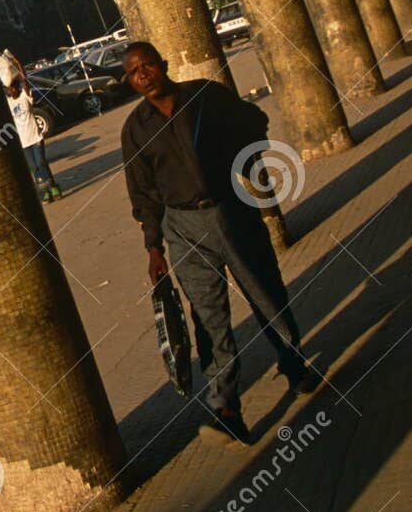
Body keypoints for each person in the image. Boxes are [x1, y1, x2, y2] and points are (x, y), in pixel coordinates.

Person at [119, 42, 317, 444]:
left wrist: (239, 164)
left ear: (165, 64)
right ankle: (226, 406)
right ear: (130, 82)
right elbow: (142, 194)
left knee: (264, 293)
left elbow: (255, 121)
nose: (143, 73)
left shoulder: (206, 96)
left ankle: (294, 365)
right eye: (134, 71)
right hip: (181, 227)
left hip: (231, 212)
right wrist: (153, 248)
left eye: (148, 64)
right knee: (208, 318)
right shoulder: (134, 129)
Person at [6, 77, 60, 202]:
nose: (10, 91)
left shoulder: (25, 97)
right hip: (24, 142)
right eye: (9, 89)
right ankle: (46, 192)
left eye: (12, 88)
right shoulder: (9, 103)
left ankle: (53, 187)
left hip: (35, 137)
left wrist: (17, 65)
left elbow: (25, 82)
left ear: (17, 88)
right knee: (34, 168)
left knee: (41, 162)